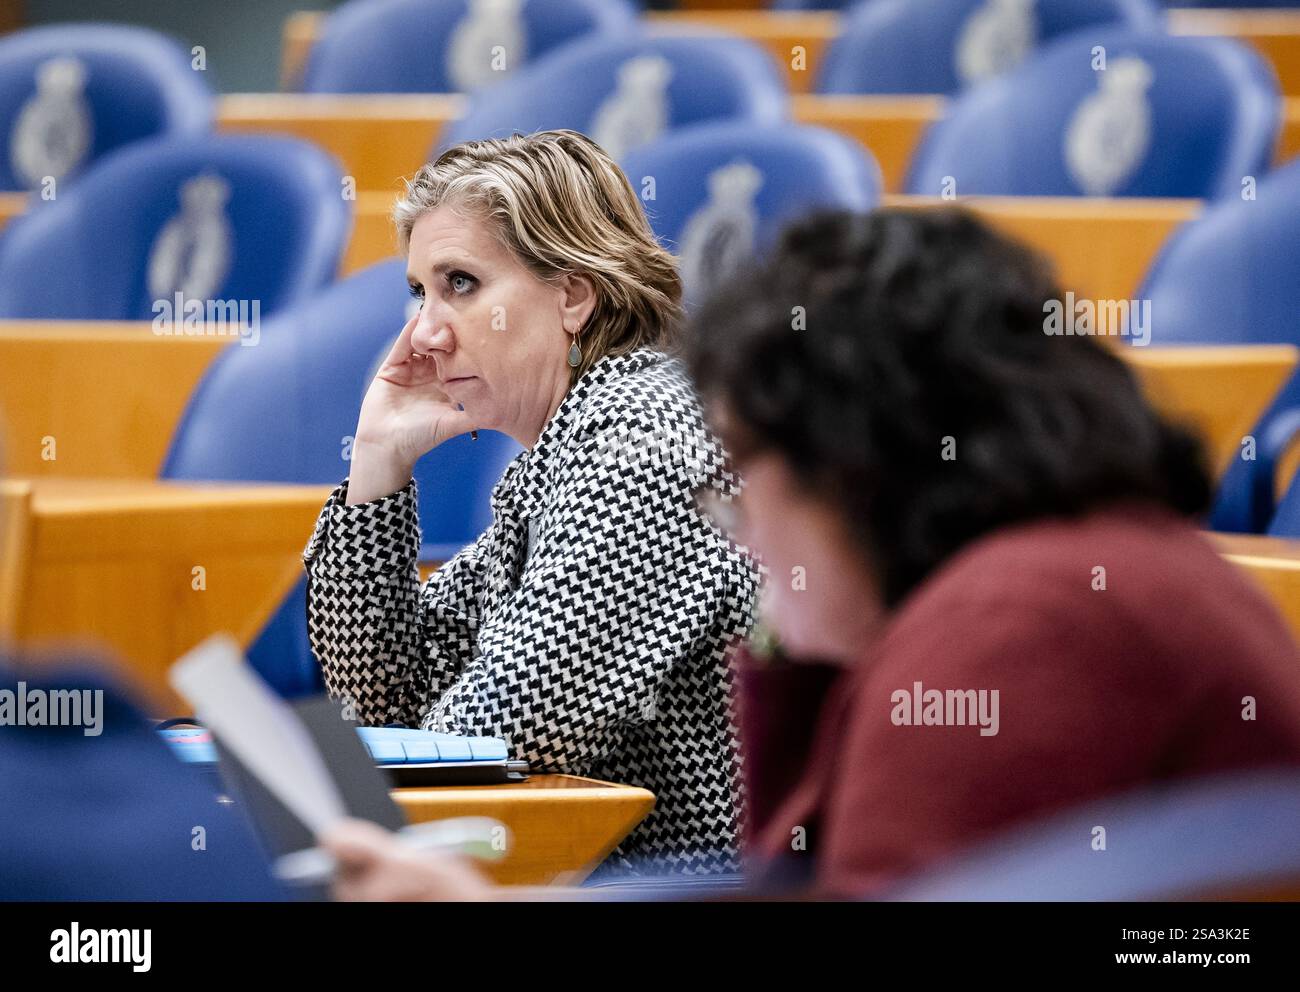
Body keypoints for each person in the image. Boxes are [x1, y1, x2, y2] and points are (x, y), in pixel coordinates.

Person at [317, 207, 1300, 900]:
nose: (728, 514)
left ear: (850, 458)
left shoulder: (1018, 622)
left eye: (741, 466)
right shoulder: (1048, 572)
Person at [302, 129, 758, 876]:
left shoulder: (648, 439)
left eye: (462, 284)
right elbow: (380, 697)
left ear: (572, 294)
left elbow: (504, 734)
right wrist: (378, 461)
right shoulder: (563, 450)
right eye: (419, 292)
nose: (424, 333)